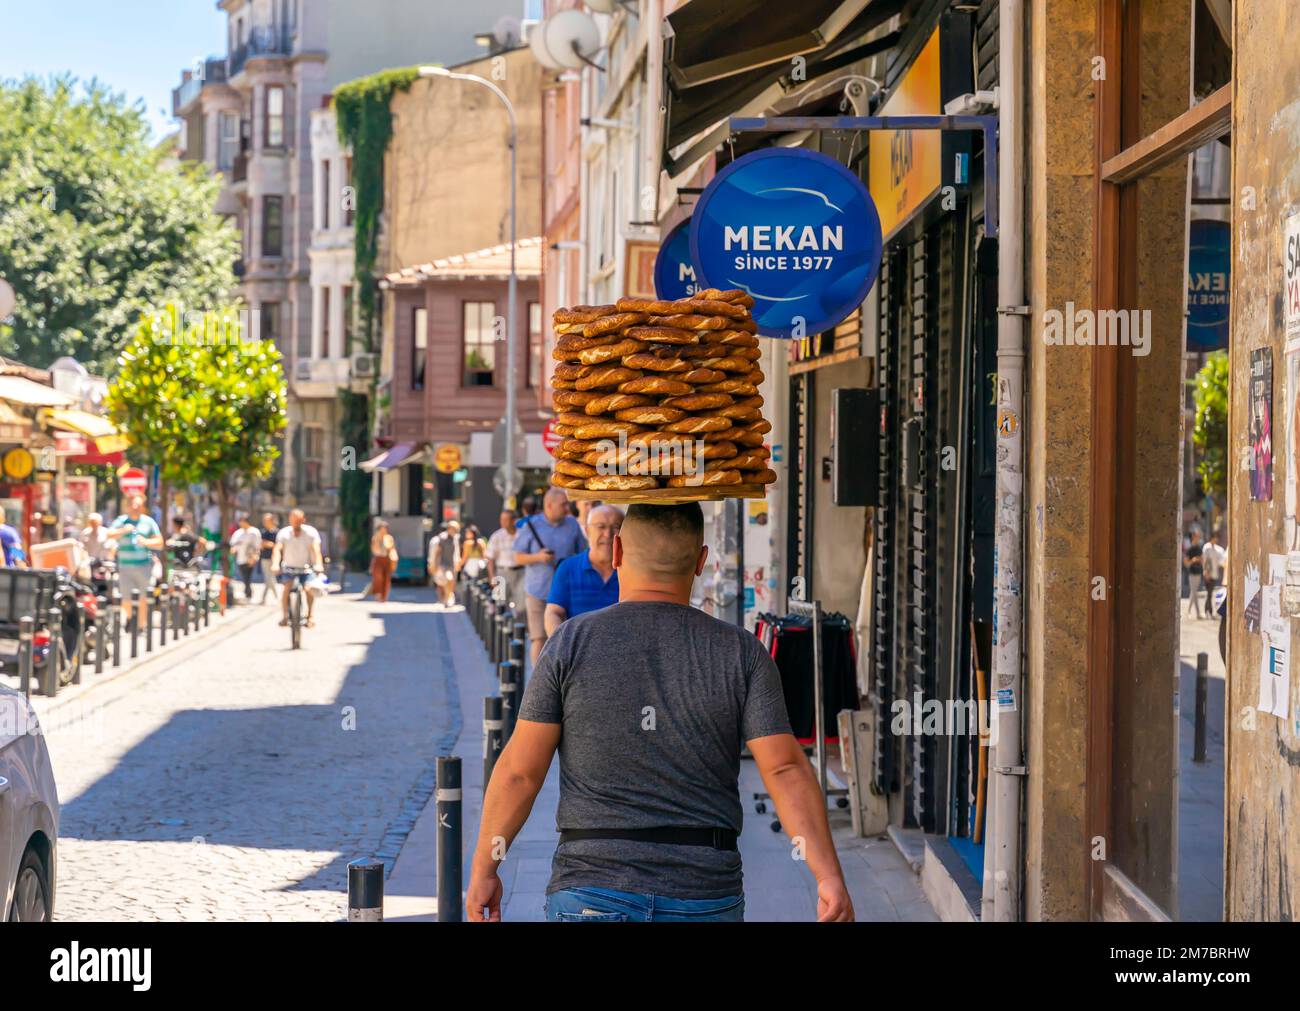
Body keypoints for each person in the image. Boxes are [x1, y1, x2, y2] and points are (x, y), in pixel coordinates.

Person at [466, 502, 853, 923]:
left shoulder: (569, 644)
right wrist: (827, 876)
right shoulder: (742, 652)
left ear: (617, 552)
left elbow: (520, 773)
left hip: (592, 888)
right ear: (702, 561)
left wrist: (486, 867)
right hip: (705, 894)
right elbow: (784, 770)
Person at [512, 488, 587, 664]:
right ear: (549, 505)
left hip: (566, 591)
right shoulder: (531, 525)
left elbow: (583, 552)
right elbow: (517, 557)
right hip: (538, 591)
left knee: (565, 638)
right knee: (539, 638)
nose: (567, 508)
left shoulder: (572, 525)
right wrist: (539, 557)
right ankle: (538, 684)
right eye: (563, 505)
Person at [545, 505, 623, 636]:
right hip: (579, 651)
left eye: (615, 527)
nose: (608, 534)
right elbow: (553, 612)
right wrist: (560, 645)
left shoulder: (634, 571)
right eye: (601, 526)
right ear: (587, 531)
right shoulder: (568, 568)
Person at [107, 494, 165, 630]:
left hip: (144, 566)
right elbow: (109, 534)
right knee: (126, 597)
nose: (136, 508)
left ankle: (141, 625)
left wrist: (146, 542)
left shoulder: (148, 522)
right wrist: (123, 530)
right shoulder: (121, 521)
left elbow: (160, 542)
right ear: (128, 506)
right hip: (125, 566)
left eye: (139, 506)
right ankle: (129, 620)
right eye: (134, 505)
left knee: (143, 597)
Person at [271, 508, 325, 628]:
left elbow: (316, 550)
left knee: (308, 589)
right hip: (289, 567)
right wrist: (275, 564)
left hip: (306, 568)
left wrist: (318, 564)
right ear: (290, 520)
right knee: (286, 588)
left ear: (303, 520)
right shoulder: (284, 533)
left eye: (299, 521)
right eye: (294, 521)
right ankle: (285, 616)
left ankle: (310, 616)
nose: (296, 523)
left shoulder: (311, 532)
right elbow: (277, 550)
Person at [485, 509, 522, 609]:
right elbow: (490, 558)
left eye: (506, 519)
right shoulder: (496, 536)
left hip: (521, 573)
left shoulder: (522, 534)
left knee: (521, 605)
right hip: (502, 573)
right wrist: (492, 576)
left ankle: (515, 623)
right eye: (502, 519)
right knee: (500, 603)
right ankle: (502, 624)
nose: (503, 522)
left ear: (514, 520)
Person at [427, 520, 461, 607]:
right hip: (443, 564)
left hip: (452, 564)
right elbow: (436, 552)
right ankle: (448, 598)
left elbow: (456, 551)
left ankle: (448, 597)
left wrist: (457, 561)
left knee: (450, 582)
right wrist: (433, 564)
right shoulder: (441, 538)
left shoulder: (455, 538)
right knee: (447, 580)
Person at [230, 516, 263, 601]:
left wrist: (255, 556)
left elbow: (257, 545)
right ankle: (248, 592)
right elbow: (233, 544)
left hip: (250, 557)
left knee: (247, 576)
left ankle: (248, 593)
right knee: (244, 576)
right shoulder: (238, 533)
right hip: (240, 557)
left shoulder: (254, 532)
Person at [368, 520, 398, 603]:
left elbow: (391, 548)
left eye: (385, 529)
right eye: (382, 529)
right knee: (378, 577)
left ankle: (384, 597)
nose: (384, 530)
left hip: (387, 558)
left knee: (386, 578)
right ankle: (378, 594)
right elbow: (374, 549)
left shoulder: (389, 538)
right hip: (378, 558)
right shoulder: (375, 537)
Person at [1202, 529, 1227, 618]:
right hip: (1208, 574)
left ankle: (1208, 611)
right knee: (1209, 593)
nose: (1216, 540)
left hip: (1214, 574)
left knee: (1210, 593)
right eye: (1215, 538)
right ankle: (1208, 611)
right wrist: (1205, 572)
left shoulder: (1218, 549)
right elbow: (1205, 561)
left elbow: (1222, 560)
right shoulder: (1206, 547)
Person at [1184, 527, 1205, 618]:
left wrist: (1200, 560)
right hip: (1192, 573)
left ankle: (1188, 611)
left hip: (1199, 572)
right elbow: (1186, 563)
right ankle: (1198, 613)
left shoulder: (1199, 548)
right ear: (1193, 537)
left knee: (1193, 593)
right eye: (1196, 535)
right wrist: (1192, 560)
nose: (1198, 537)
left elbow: (1202, 559)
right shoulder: (1189, 549)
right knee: (1195, 592)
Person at [259, 513, 279, 603]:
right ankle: (275, 598)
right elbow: (261, 544)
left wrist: (269, 544)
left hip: (274, 558)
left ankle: (274, 597)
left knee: (270, 578)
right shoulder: (263, 532)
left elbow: (277, 545)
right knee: (269, 578)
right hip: (264, 557)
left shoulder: (277, 532)